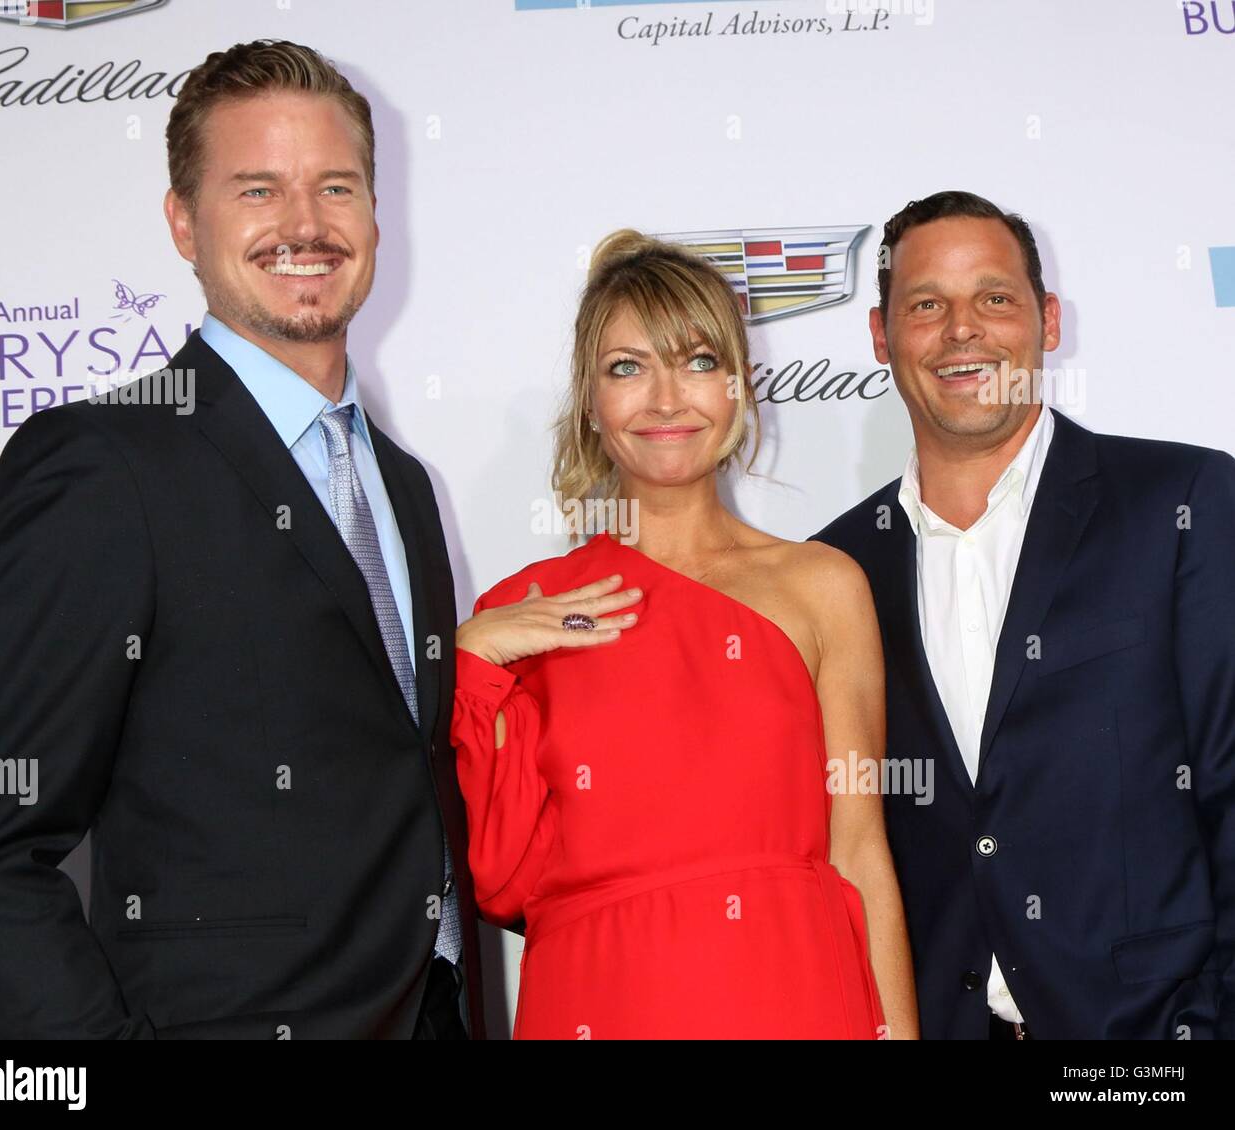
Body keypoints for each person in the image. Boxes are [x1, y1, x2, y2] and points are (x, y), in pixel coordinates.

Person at [0, 40, 481, 1040]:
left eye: (336, 187)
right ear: (184, 223)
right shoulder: (104, 467)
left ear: (373, 212)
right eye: (257, 190)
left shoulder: (402, 485)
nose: (304, 225)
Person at [449, 229, 917, 1039]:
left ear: (738, 388)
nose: (667, 400)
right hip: (597, 999)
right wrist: (473, 662)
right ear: (591, 403)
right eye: (628, 367)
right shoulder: (521, 614)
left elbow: (860, 852)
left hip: (794, 994)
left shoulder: (824, 586)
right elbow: (498, 884)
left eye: (698, 361)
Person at [813, 190, 1235, 1040]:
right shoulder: (836, 567)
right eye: (926, 304)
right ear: (879, 335)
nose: (962, 329)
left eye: (994, 298)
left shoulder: (1179, 503)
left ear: (1046, 320)